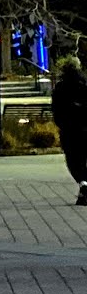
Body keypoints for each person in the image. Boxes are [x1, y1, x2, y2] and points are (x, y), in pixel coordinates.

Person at [50, 55, 87, 206]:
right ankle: (85, 185)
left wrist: (62, 123)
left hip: (69, 129)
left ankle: (83, 183)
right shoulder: (84, 84)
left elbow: (56, 110)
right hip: (85, 127)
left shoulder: (60, 87)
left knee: (73, 160)